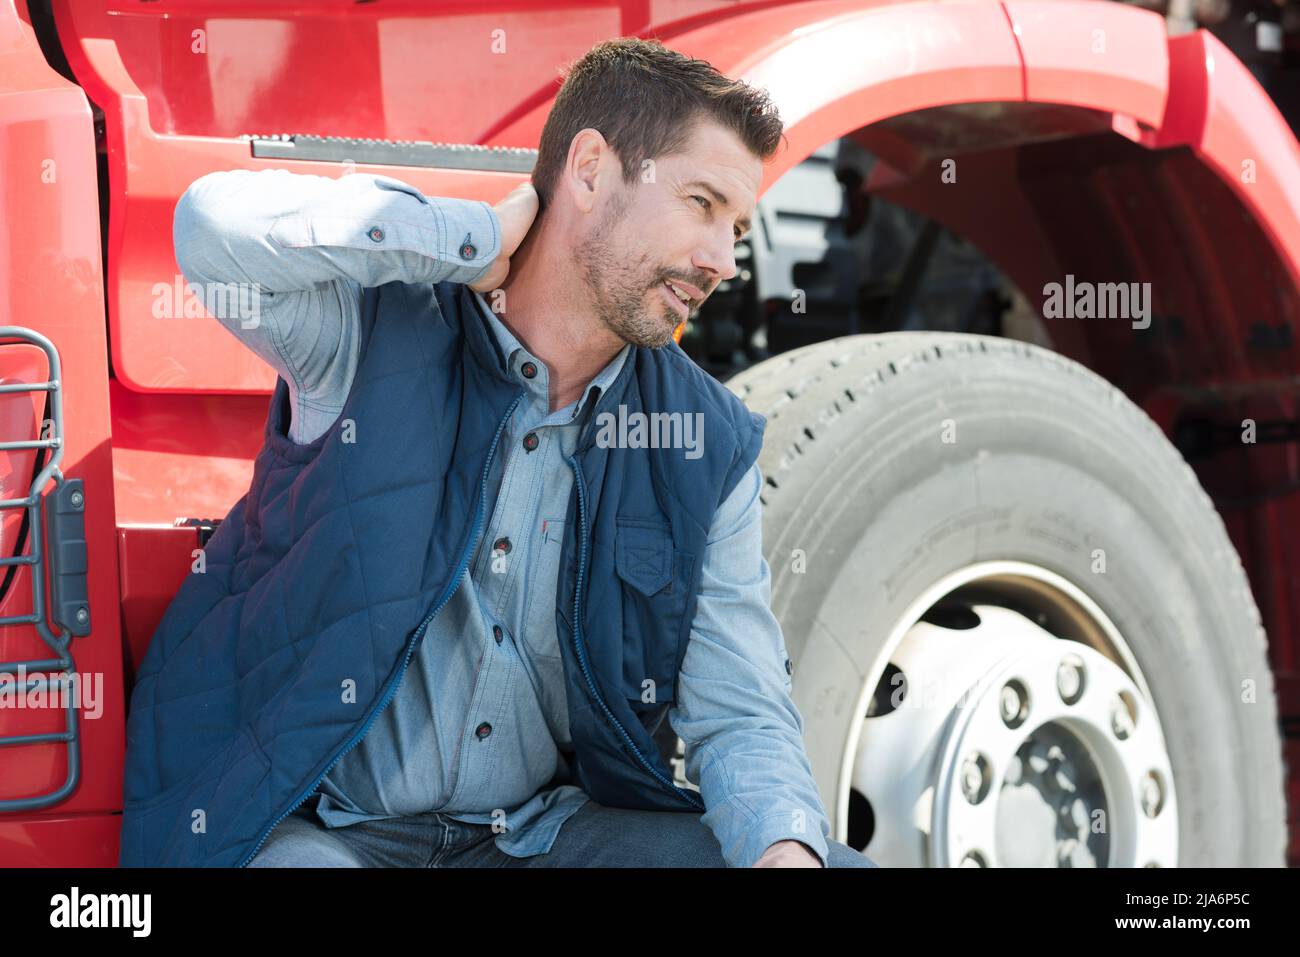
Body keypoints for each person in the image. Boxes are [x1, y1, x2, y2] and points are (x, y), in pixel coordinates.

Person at [119, 36, 877, 869]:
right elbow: (210, 227)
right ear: (589, 171)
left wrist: (783, 852)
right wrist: (474, 236)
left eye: (737, 227)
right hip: (327, 830)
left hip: (542, 839)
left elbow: (742, 711)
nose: (722, 261)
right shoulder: (370, 335)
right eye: (701, 204)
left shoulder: (707, 446)